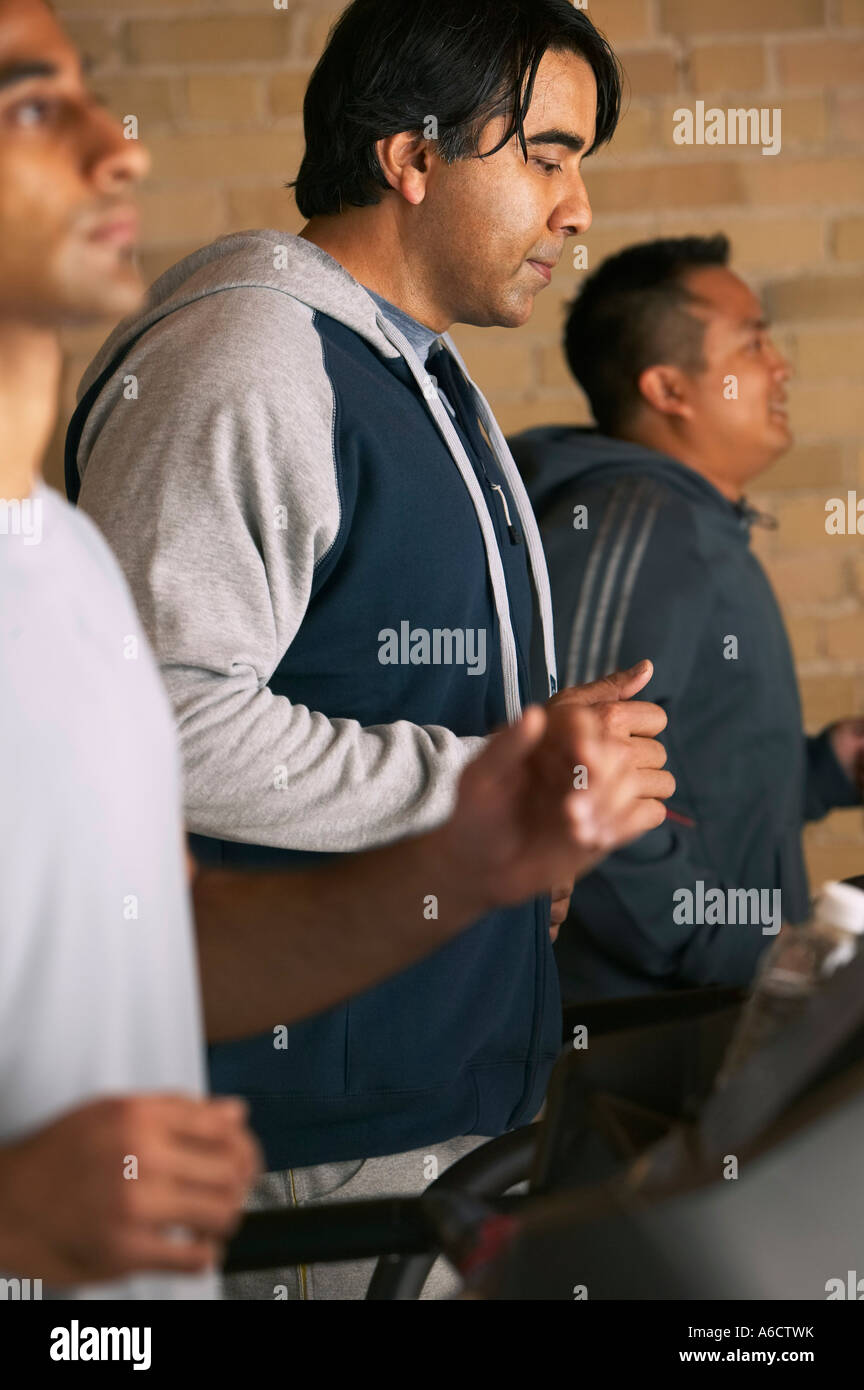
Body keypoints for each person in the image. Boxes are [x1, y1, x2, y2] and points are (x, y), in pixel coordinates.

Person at [0, 0, 673, 1299]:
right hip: (323, 1140)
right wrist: (472, 788)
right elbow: (178, 734)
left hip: (439, 1097)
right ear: (412, 158)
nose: (579, 207)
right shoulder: (252, 351)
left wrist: (512, 811)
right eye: (545, 153)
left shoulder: (411, 366)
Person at [510, 235, 864, 1003]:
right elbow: (575, 781)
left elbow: (693, 780)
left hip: (705, 1004)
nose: (783, 367)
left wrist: (830, 766)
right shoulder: (638, 526)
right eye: (754, 341)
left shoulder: (690, 522)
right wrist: (731, 952)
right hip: (651, 1026)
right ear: (670, 389)